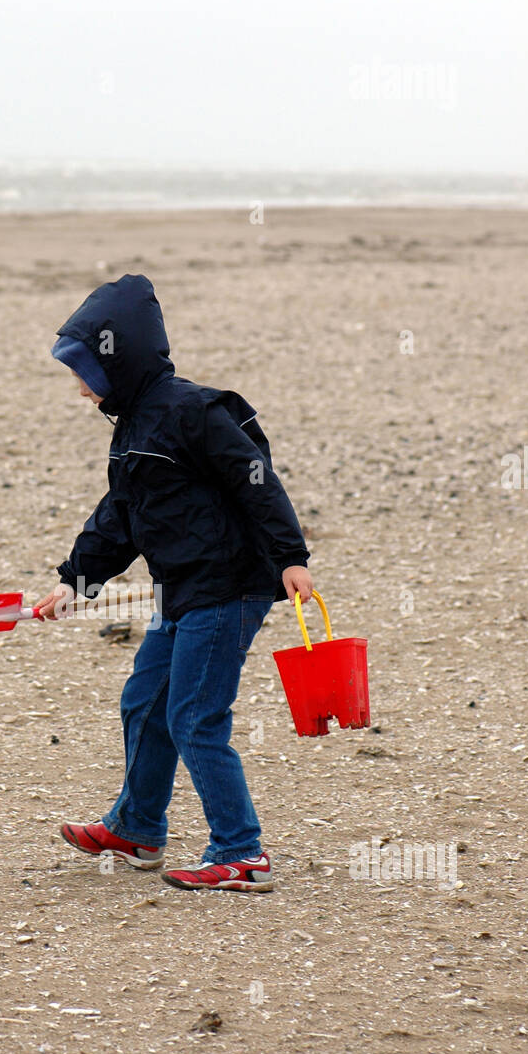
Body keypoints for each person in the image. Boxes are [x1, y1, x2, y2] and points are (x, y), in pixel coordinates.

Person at [35, 274, 313, 894]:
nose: (78, 387)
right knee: (145, 702)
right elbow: (120, 515)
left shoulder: (193, 410)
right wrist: (75, 581)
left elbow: (255, 478)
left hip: (228, 587)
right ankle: (136, 828)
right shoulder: (132, 425)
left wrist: (290, 556)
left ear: (116, 360)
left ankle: (242, 854)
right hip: (179, 591)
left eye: (82, 371)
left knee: (194, 715)